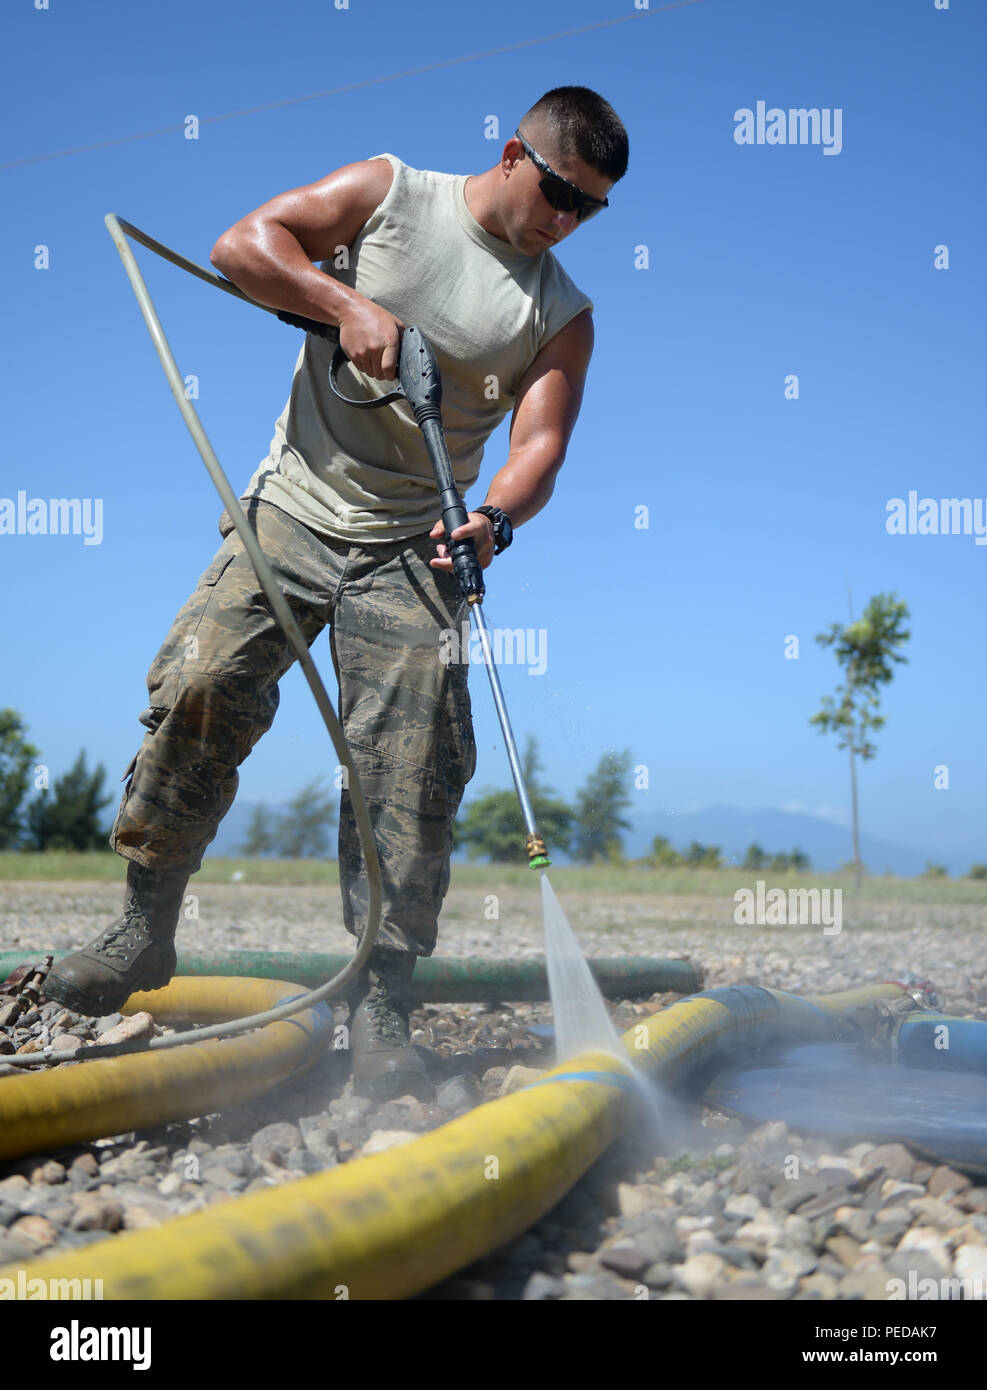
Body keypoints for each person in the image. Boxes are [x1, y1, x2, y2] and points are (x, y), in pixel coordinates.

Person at [46, 86, 629, 1100]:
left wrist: (492, 519)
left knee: (414, 768)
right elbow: (243, 245)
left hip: (417, 541)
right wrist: (348, 305)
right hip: (296, 504)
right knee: (201, 682)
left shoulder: (559, 313)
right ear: (510, 155)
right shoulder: (389, 193)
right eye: (559, 191)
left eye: (592, 209)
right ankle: (144, 929)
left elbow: (540, 447)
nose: (567, 220)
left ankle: (382, 1000)